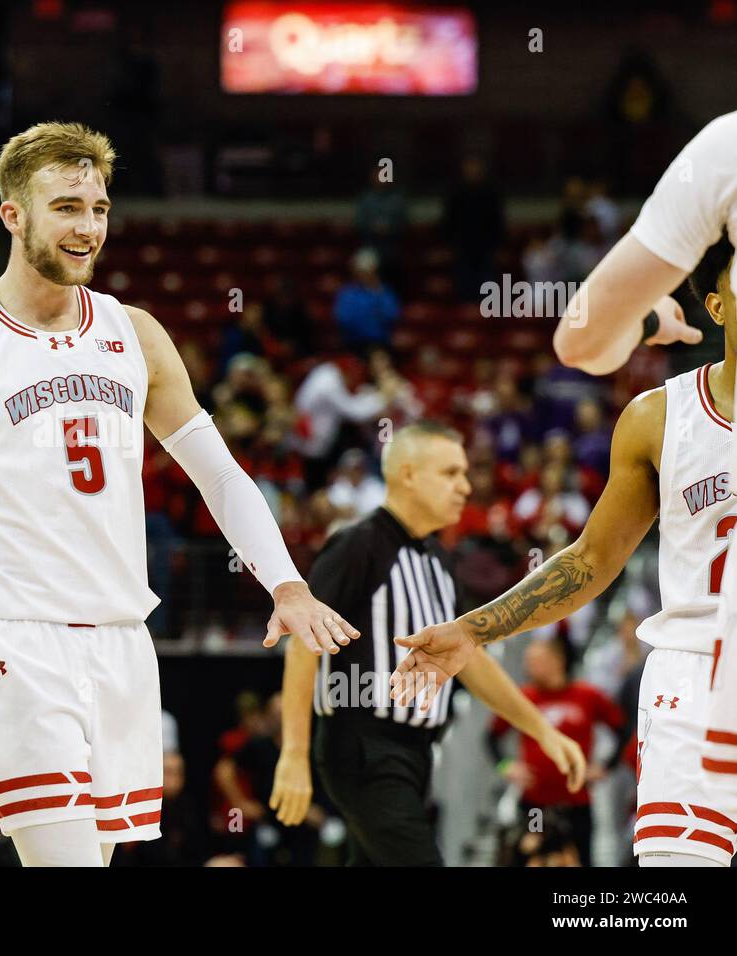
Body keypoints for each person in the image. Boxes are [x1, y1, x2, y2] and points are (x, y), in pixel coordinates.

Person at [0, 121, 358, 868]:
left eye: (99, 208)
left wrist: (287, 584)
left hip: (122, 642)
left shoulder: (134, 333)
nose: (88, 227)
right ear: (13, 214)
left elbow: (220, 472)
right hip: (12, 639)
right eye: (67, 207)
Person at [394, 235, 736, 865]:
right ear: (717, 306)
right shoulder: (658, 419)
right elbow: (590, 560)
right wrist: (474, 629)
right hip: (692, 675)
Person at [270, 422, 585, 866]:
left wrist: (541, 731)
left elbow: (469, 661)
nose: (465, 486)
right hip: (364, 748)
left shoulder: (438, 560)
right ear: (409, 475)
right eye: (451, 473)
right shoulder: (357, 545)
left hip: (415, 755)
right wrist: (294, 754)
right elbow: (304, 644)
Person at [488, 636, 624, 865]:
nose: (529, 667)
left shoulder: (587, 695)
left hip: (576, 804)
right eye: (528, 661)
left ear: (557, 661)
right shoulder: (525, 698)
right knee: (532, 852)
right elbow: (492, 737)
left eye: (537, 661)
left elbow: (623, 729)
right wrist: (506, 766)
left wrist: (605, 766)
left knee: (579, 858)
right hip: (535, 804)